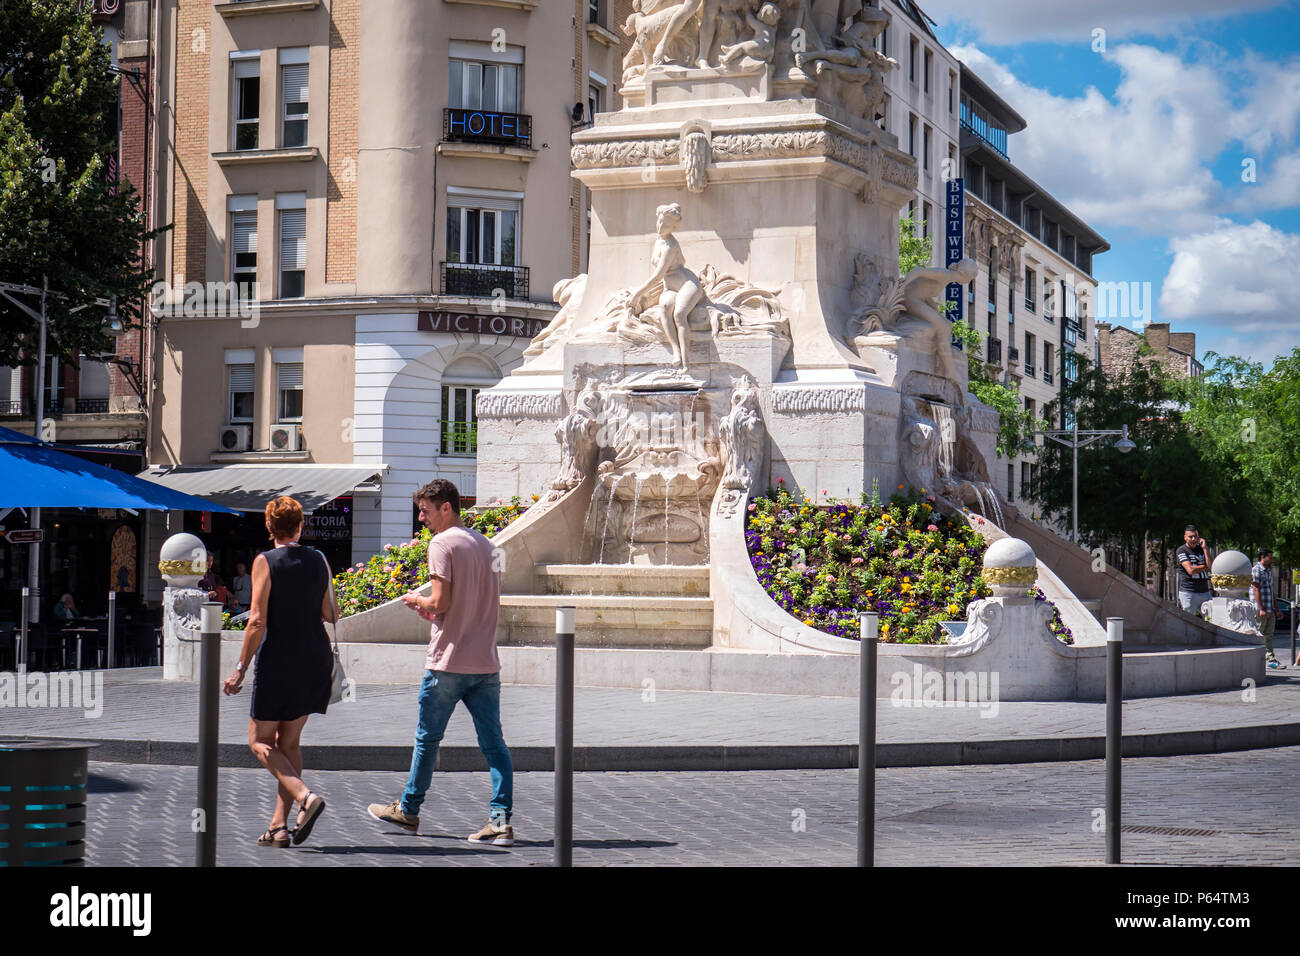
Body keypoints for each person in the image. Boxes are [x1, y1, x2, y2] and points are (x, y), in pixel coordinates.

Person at [367, 478, 515, 846]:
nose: (421, 518)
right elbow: (473, 605)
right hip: (485, 663)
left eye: (426, 510)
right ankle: (499, 822)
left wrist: (418, 602)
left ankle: (408, 810)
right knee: (494, 744)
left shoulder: (441, 543)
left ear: (446, 507)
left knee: (427, 740)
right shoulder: (487, 546)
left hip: (447, 662)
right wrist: (435, 613)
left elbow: (442, 603)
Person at [222, 496, 333, 847]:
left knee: (258, 741)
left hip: (280, 659)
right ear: (300, 526)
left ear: (269, 527)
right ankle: (278, 826)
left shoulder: (264, 561)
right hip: (314, 657)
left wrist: (240, 668)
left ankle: (305, 796)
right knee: (289, 743)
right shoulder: (319, 560)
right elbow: (331, 613)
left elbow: (256, 620)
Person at [1252, 548, 1286, 670]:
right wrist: (1261, 608)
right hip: (1260, 609)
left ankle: (1270, 659)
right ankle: (1255, 659)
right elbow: (1256, 589)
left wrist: (1277, 609)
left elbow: (1271, 592)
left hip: (1270, 608)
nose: (1272, 560)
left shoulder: (1268, 571)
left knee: (1269, 635)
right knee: (1258, 634)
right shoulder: (1256, 570)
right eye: (1270, 558)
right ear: (1263, 557)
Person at [1175, 525, 1212, 618]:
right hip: (1188, 592)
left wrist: (1205, 549)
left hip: (1204, 591)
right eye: (1190, 536)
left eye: (1195, 536)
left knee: (1212, 618)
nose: (1193, 539)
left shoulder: (1202, 549)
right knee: (1188, 620)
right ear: (1185, 538)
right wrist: (1205, 566)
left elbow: (1211, 567)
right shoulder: (1182, 550)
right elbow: (1190, 570)